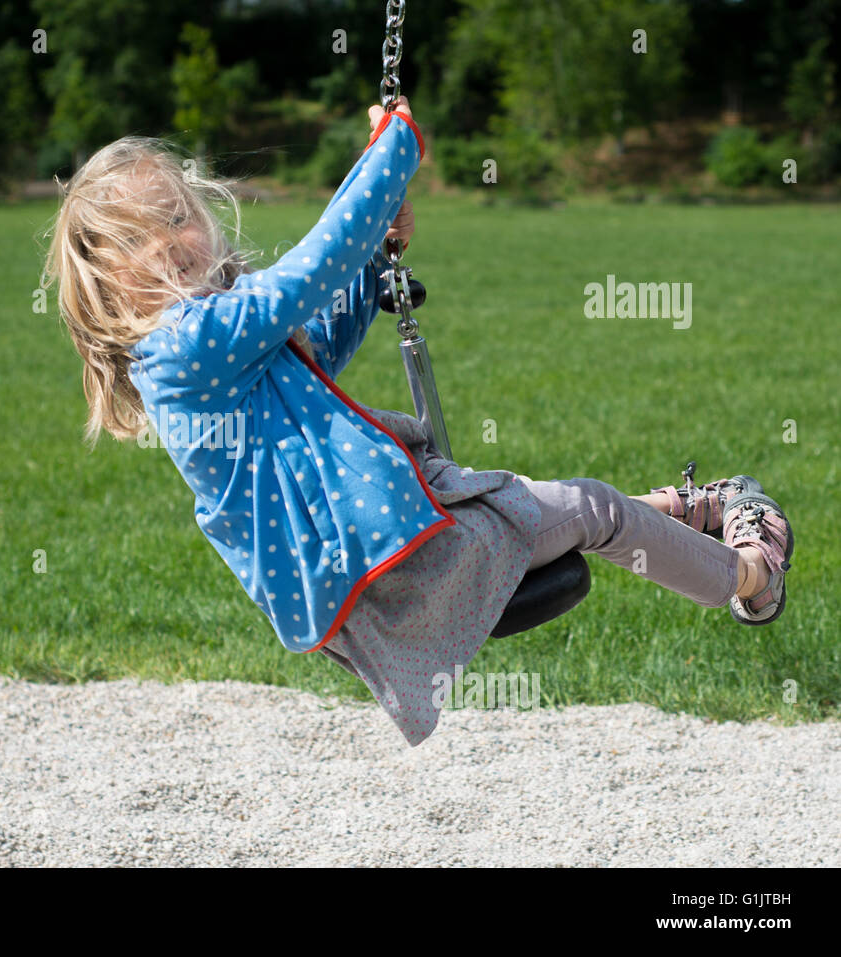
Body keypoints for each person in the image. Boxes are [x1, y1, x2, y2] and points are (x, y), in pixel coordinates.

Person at [40, 98, 794, 746]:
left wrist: (376, 262)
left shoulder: (212, 345)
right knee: (589, 508)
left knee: (562, 505)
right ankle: (752, 578)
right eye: (137, 240)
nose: (169, 241)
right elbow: (306, 274)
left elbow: (315, 347)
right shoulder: (179, 350)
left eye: (175, 217)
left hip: (395, 542)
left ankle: (682, 511)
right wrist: (393, 150)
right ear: (106, 284)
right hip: (399, 560)